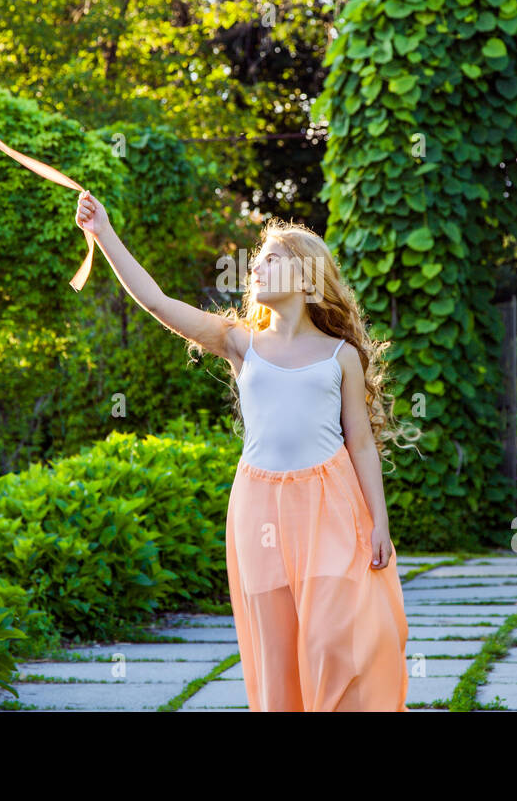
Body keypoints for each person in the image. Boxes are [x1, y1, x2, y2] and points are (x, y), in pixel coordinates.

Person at [75, 189, 418, 711]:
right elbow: (157, 302)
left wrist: (380, 522)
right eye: (254, 262)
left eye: (271, 260)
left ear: (306, 280)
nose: (255, 268)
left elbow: (363, 444)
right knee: (275, 649)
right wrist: (103, 234)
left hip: (330, 503)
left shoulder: (340, 356)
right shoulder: (239, 342)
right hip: (258, 507)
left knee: (332, 634)